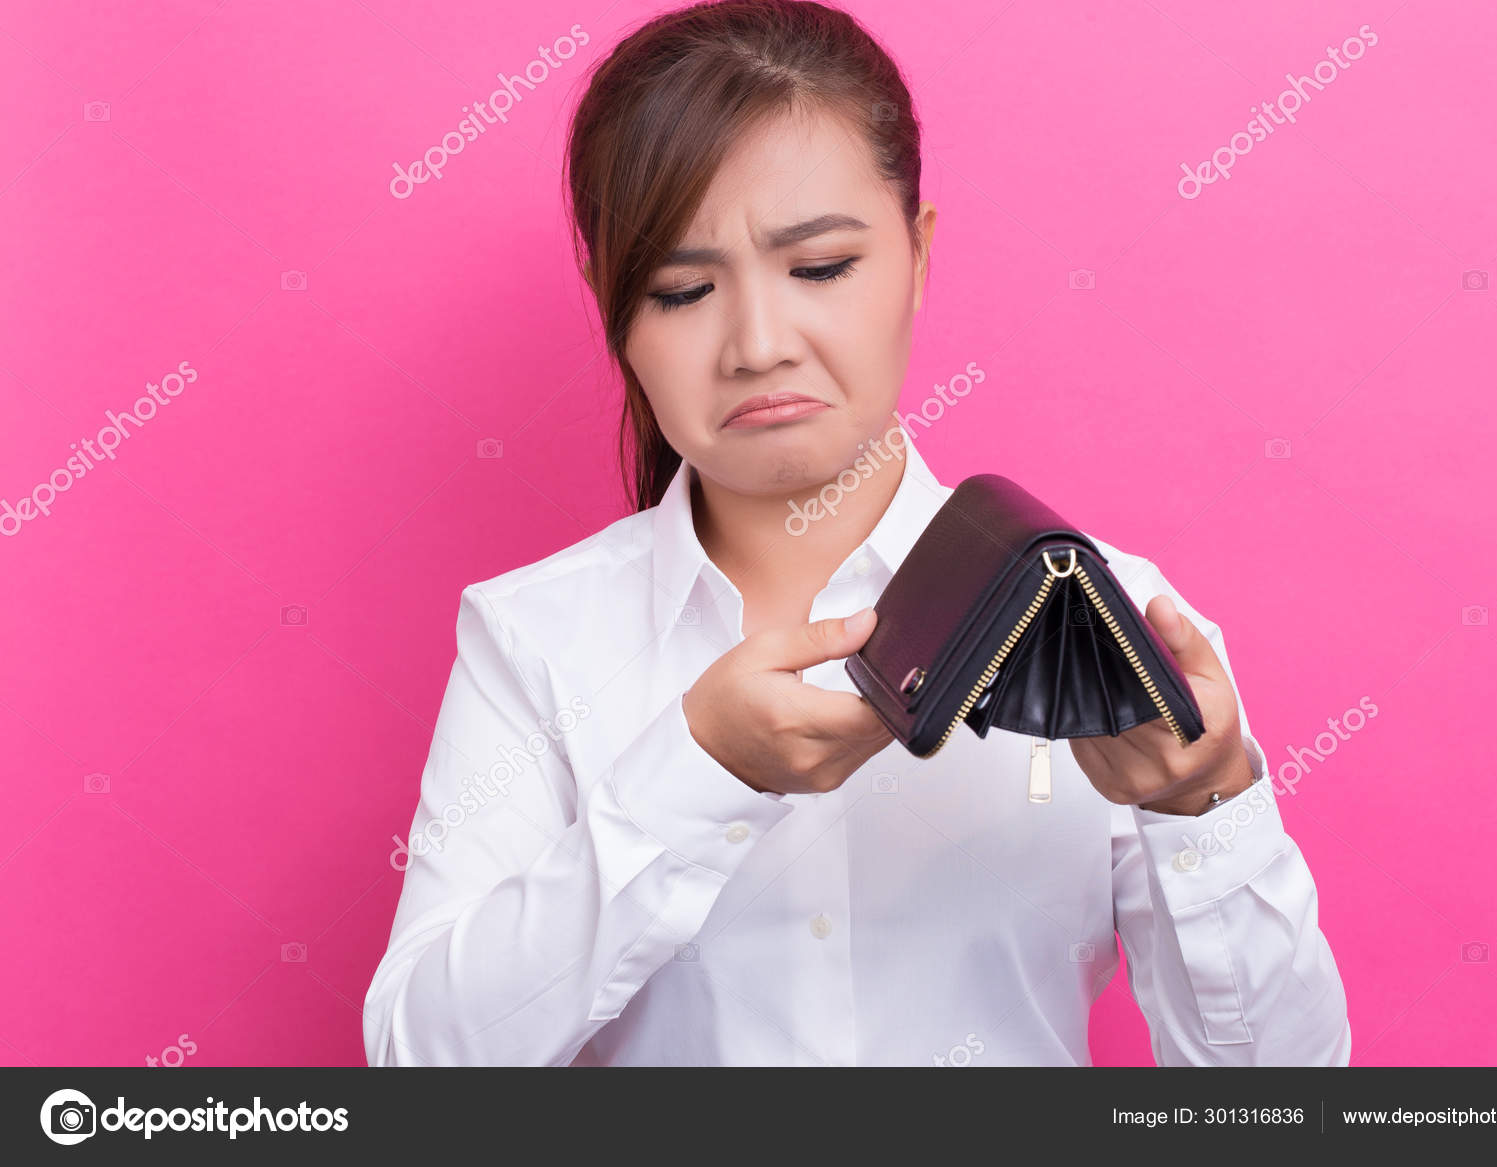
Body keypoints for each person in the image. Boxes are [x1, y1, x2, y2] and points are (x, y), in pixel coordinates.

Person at [363, 0, 1350, 1067]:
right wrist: (694, 778)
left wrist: (1204, 805)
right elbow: (423, 1060)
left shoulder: (1103, 616)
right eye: (682, 290)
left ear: (917, 256)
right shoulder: (537, 636)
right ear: (618, 314)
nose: (757, 344)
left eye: (821, 267)